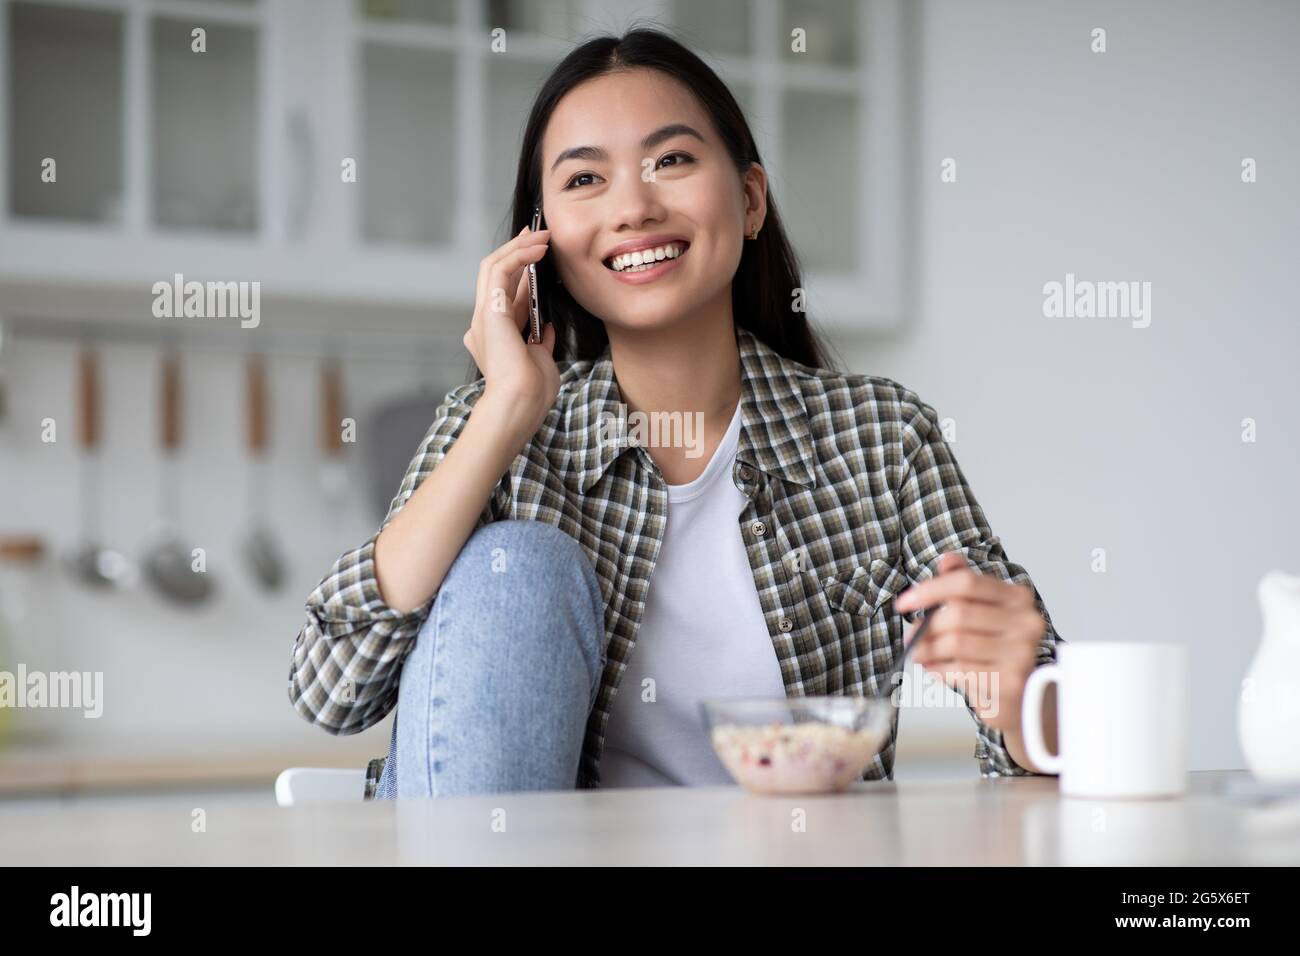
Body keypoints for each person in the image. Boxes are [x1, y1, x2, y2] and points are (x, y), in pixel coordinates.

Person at [287, 27, 1063, 799]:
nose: (632, 206)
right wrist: (505, 410)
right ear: (542, 242)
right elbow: (329, 688)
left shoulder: (880, 438)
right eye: (586, 180)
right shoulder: (499, 428)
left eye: (672, 160)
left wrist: (1017, 688)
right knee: (519, 566)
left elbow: (1053, 733)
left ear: (750, 199)